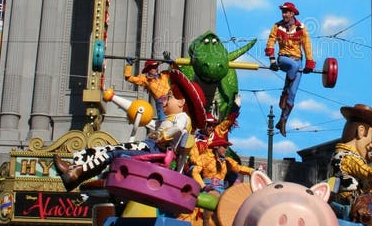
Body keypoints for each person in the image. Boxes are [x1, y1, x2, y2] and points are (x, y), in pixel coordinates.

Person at [53, 69, 206, 190]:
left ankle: (77, 172)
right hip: (149, 147)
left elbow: (179, 129)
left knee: (113, 152)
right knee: (105, 150)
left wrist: (164, 135)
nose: (164, 102)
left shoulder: (182, 118)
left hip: (152, 150)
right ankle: (74, 171)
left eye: (170, 97)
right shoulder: (169, 119)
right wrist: (117, 100)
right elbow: (151, 122)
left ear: (181, 103)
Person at [265, 1, 315, 136]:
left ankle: (283, 121)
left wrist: (309, 62)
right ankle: (285, 91)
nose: (283, 14)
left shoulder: (301, 28)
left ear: (292, 13)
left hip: (298, 60)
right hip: (284, 59)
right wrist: (272, 60)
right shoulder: (277, 26)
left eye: (286, 12)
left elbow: (307, 45)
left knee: (292, 96)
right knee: (293, 66)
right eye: (283, 12)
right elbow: (271, 41)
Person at [190, 135, 254, 194]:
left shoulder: (227, 161)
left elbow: (239, 168)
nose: (226, 150)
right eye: (224, 147)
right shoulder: (205, 157)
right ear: (217, 147)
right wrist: (203, 186)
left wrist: (252, 171)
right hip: (207, 189)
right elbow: (195, 172)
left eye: (226, 147)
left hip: (221, 191)